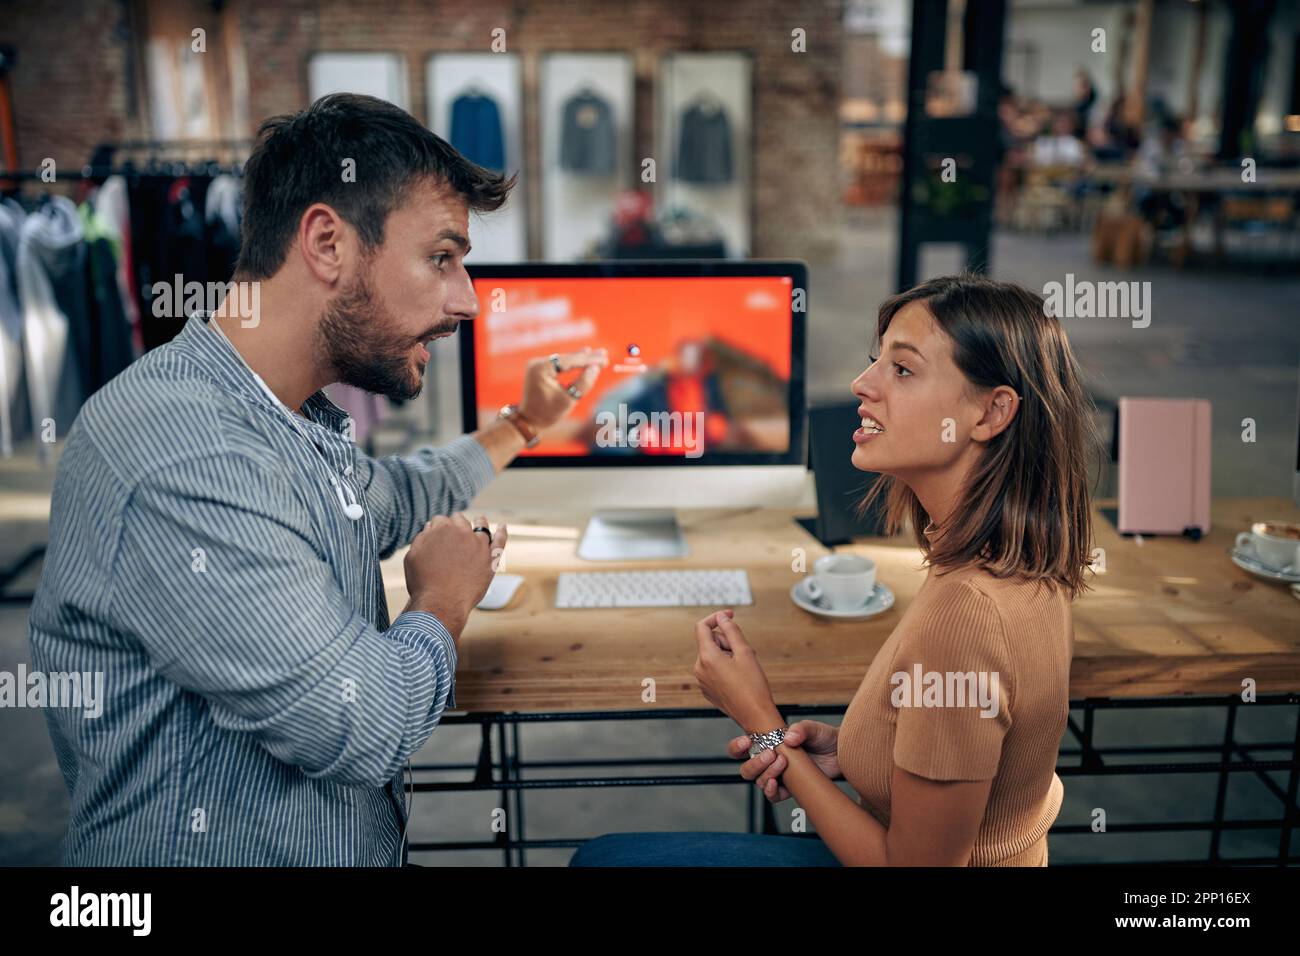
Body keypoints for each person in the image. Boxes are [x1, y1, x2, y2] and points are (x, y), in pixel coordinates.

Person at [28, 93, 608, 865]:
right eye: (442, 257)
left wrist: (524, 424)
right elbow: (363, 722)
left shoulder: (282, 416)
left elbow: (390, 500)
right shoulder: (187, 451)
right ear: (328, 243)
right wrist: (440, 600)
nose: (468, 300)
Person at [571, 274, 1102, 866]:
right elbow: (987, 755)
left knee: (601, 861)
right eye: (875, 362)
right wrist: (857, 750)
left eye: (902, 370)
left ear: (991, 412)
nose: (861, 384)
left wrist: (762, 723)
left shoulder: (965, 617)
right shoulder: (1019, 560)